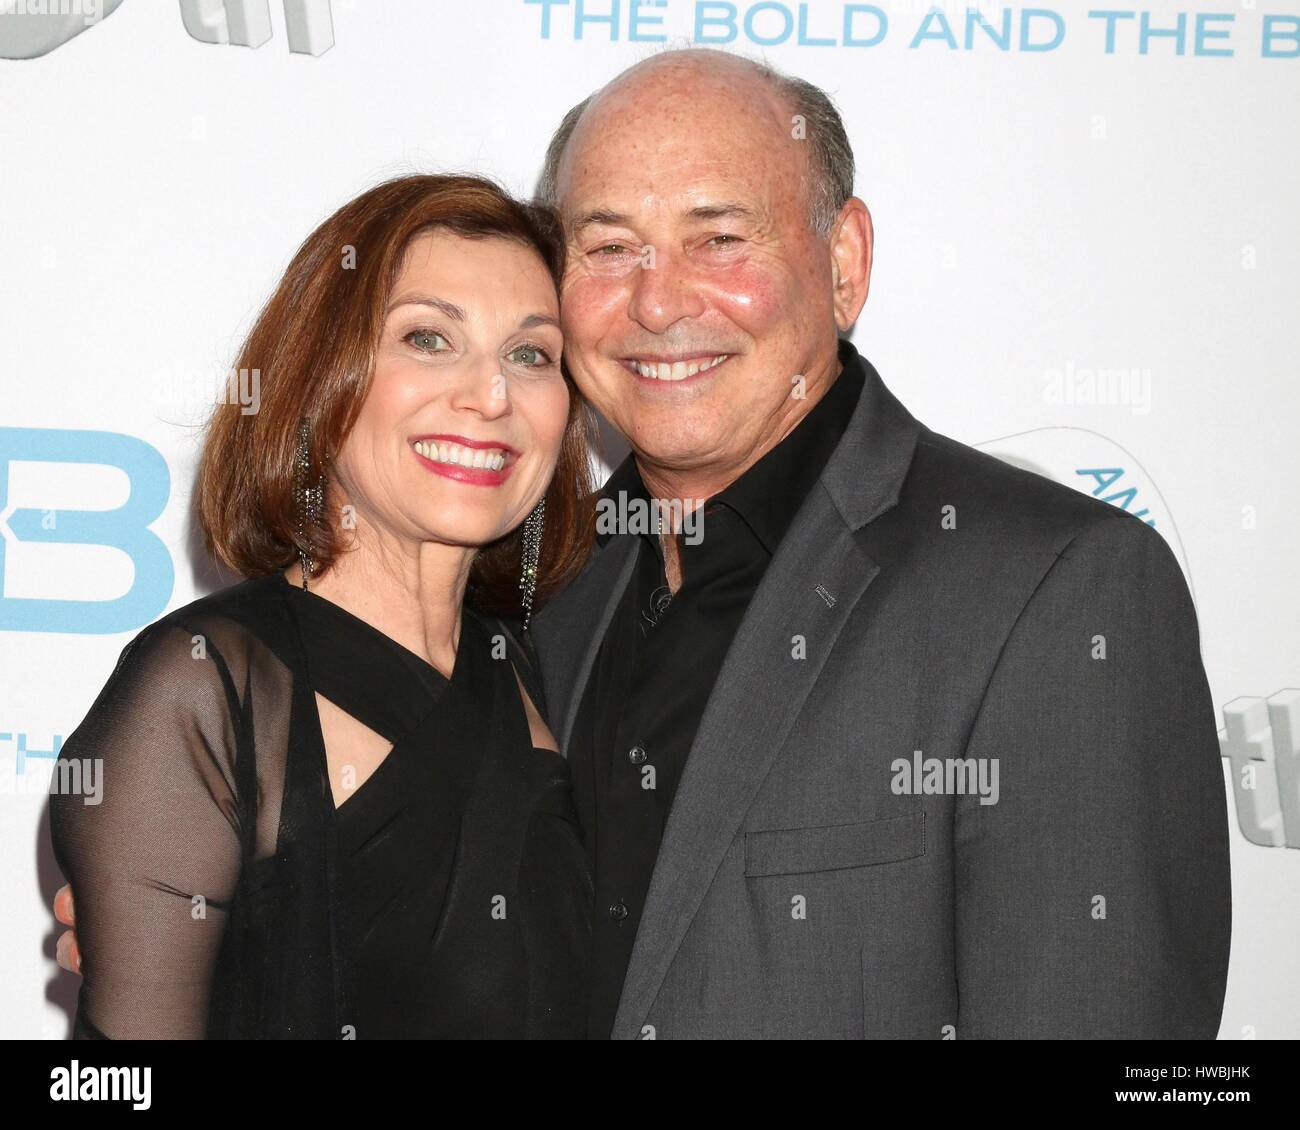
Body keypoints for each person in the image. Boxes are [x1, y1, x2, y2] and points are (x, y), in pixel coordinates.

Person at [56, 46, 1234, 1040]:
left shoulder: (1053, 589)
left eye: (718, 237)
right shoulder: (547, 613)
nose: (659, 302)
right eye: (608, 246)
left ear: (843, 260)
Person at [48, 173, 597, 1039]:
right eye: (428, 338)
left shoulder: (552, 663)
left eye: (531, 355)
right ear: (320, 376)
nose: (491, 396)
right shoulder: (204, 693)